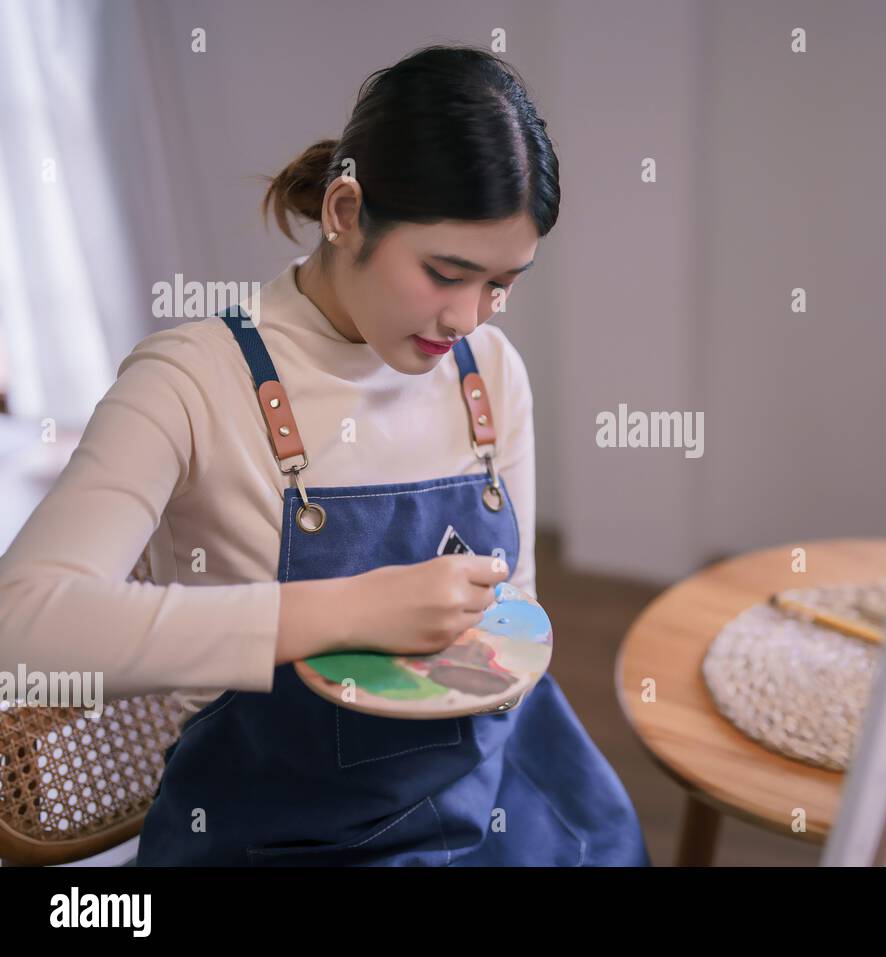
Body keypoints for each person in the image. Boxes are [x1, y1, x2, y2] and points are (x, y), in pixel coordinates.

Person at [0, 44, 651, 867]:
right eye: (446, 272)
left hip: (487, 797)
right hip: (281, 831)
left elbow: (511, 610)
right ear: (345, 212)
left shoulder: (490, 374)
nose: (470, 317)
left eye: (502, 281)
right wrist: (349, 611)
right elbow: (22, 626)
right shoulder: (192, 380)